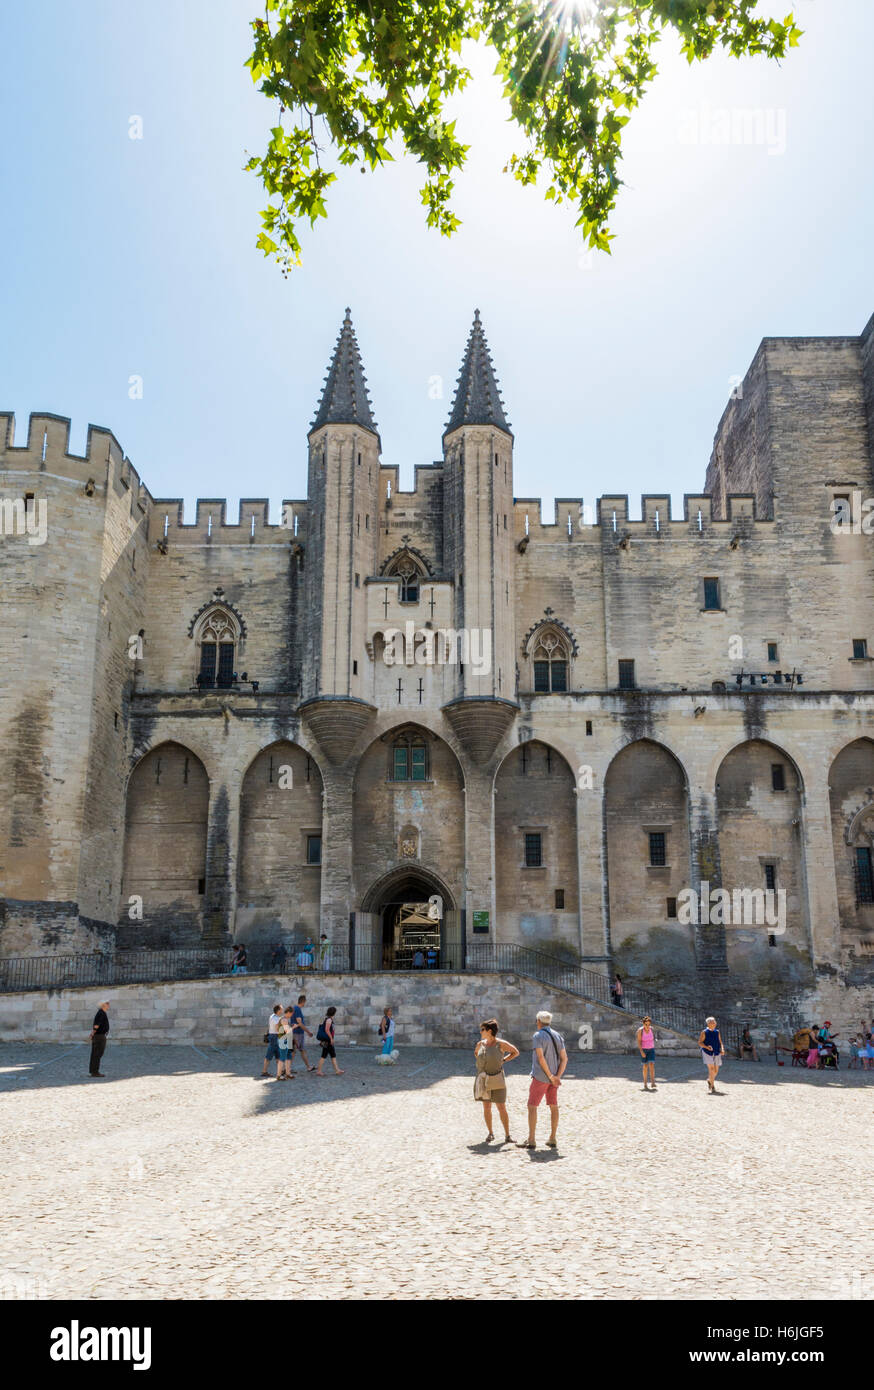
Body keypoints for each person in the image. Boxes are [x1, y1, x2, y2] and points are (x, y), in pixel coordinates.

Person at [518, 1009, 567, 1150]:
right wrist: (557, 1076)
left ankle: (532, 1139)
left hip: (541, 1077)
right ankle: (552, 1137)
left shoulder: (538, 1036)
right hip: (554, 1079)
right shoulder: (558, 1036)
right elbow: (565, 1059)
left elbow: (541, 1058)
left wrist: (550, 1076)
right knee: (553, 1106)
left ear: (538, 1022)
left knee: (532, 1106)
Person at [474, 1019, 520, 1143]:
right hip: (484, 1080)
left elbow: (515, 1052)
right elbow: (476, 1054)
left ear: (489, 1031)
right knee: (487, 1107)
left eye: (482, 1029)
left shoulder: (500, 1044)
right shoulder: (480, 1044)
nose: (480, 1032)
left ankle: (507, 1135)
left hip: (498, 1079)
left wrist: (503, 1060)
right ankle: (490, 1133)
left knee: (501, 1107)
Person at [698, 1015, 725, 1094]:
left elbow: (720, 1042)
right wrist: (706, 1047)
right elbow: (700, 1042)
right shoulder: (704, 1032)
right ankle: (712, 1087)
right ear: (708, 1023)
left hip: (716, 1051)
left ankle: (710, 1080)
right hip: (707, 1052)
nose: (714, 1023)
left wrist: (722, 1049)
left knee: (716, 1071)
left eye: (714, 1022)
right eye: (712, 1022)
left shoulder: (717, 1032)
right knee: (712, 1069)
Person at [315, 1006, 344, 1076]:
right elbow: (327, 1030)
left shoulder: (329, 1019)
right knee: (324, 1055)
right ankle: (319, 1071)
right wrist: (331, 1038)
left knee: (333, 1055)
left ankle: (337, 1070)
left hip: (329, 1041)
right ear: (333, 1013)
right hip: (327, 1040)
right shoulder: (329, 1020)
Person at [290, 993, 315, 1071]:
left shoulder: (296, 1008)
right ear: (303, 1002)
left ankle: (308, 1067)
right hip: (297, 1033)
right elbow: (299, 1023)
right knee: (294, 1051)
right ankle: (286, 1068)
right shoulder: (297, 1009)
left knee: (302, 1050)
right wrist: (308, 1032)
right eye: (305, 1002)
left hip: (298, 1033)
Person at [260, 1004, 283, 1079]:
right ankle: (264, 1071)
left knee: (278, 1055)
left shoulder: (273, 1016)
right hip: (274, 1037)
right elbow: (277, 1028)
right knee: (269, 1055)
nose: (282, 1010)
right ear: (278, 1010)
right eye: (281, 1009)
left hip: (274, 1036)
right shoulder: (275, 1018)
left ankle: (280, 1071)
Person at [89, 1001, 110, 1077]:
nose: (108, 1005)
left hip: (100, 1035)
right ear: (103, 1005)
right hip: (99, 1036)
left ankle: (93, 1071)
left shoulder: (102, 1012)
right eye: (107, 1003)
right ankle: (95, 1072)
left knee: (96, 1054)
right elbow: (97, 1025)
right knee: (97, 1054)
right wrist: (93, 1033)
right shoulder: (101, 1013)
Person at [636, 1015, 657, 1091]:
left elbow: (654, 1038)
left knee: (651, 1065)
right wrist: (641, 1052)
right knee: (645, 1066)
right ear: (643, 1024)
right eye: (646, 1024)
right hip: (644, 1050)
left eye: (649, 1024)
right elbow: (638, 1042)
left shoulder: (652, 1029)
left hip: (651, 1049)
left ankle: (653, 1082)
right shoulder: (640, 1031)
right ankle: (645, 1083)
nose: (647, 1026)